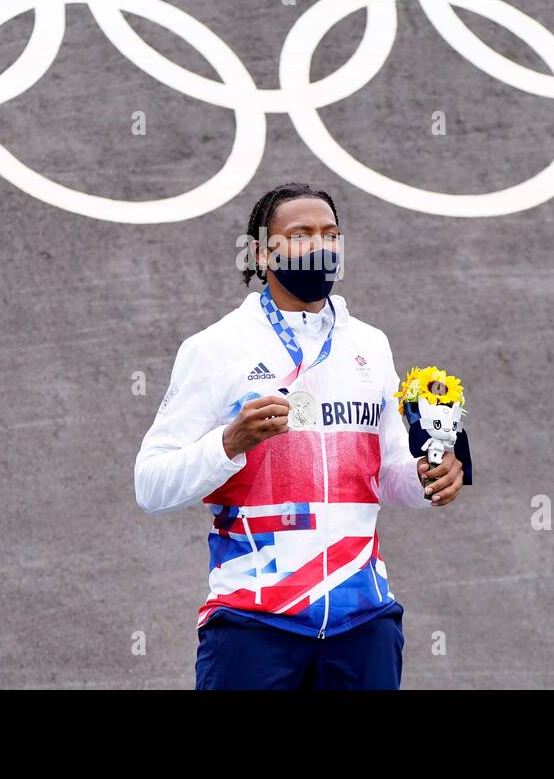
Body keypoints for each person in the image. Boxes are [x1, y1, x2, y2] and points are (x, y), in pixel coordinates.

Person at [134, 182, 465, 689]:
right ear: (263, 252)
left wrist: (430, 479)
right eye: (301, 234)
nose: (320, 246)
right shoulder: (216, 348)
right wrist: (228, 443)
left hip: (364, 620)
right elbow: (150, 485)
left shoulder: (370, 345)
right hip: (254, 623)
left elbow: (390, 477)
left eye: (331, 234)